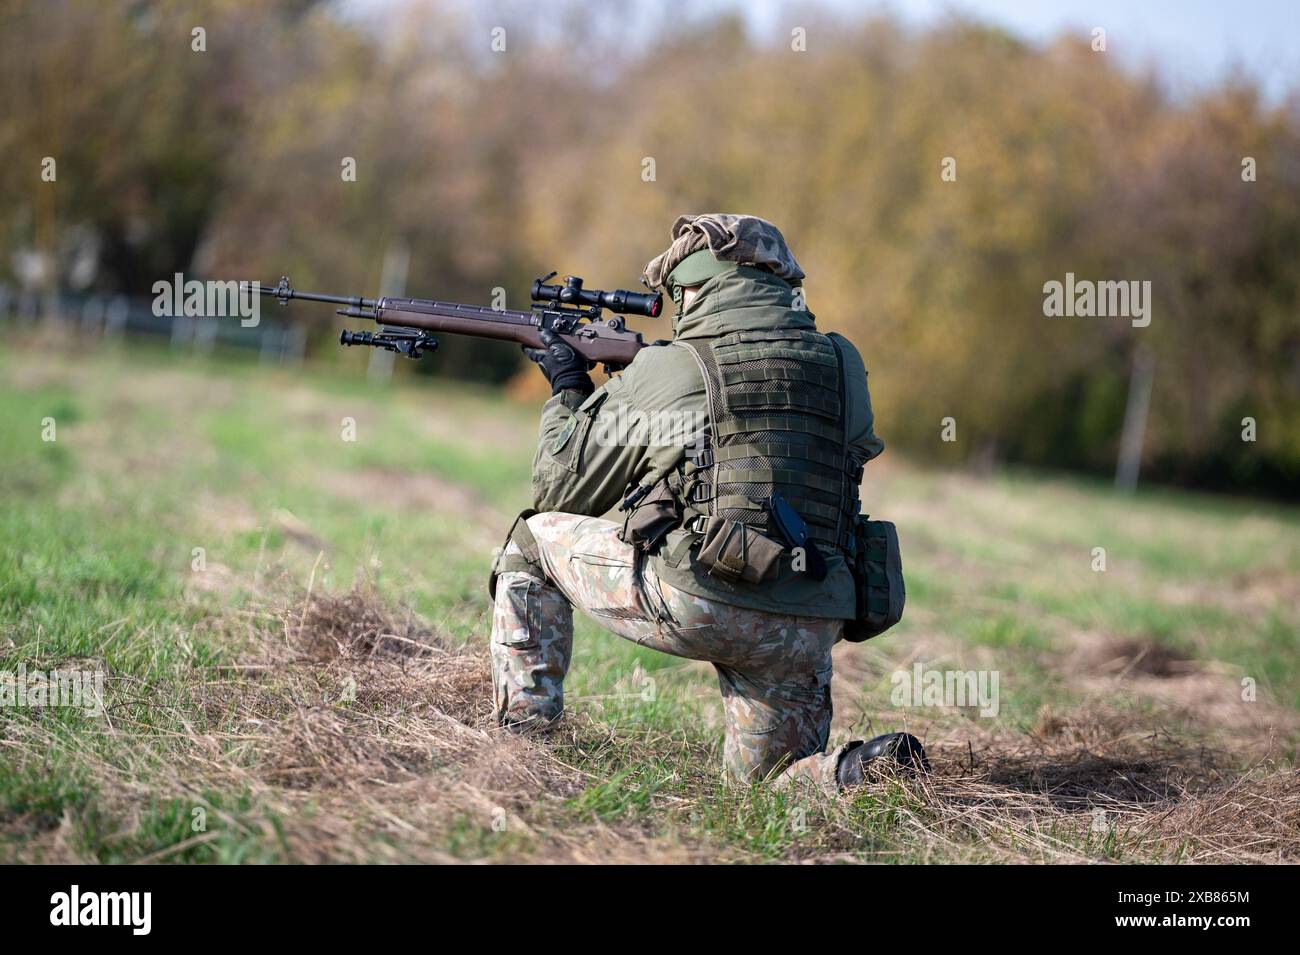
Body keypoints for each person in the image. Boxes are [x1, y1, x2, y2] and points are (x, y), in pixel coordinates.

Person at [489, 214, 927, 789]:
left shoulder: (673, 364)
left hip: (705, 597)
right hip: (810, 618)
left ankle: (523, 740)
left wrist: (570, 392)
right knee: (765, 789)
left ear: (693, 287)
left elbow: (562, 491)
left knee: (532, 539)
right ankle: (851, 773)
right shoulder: (843, 364)